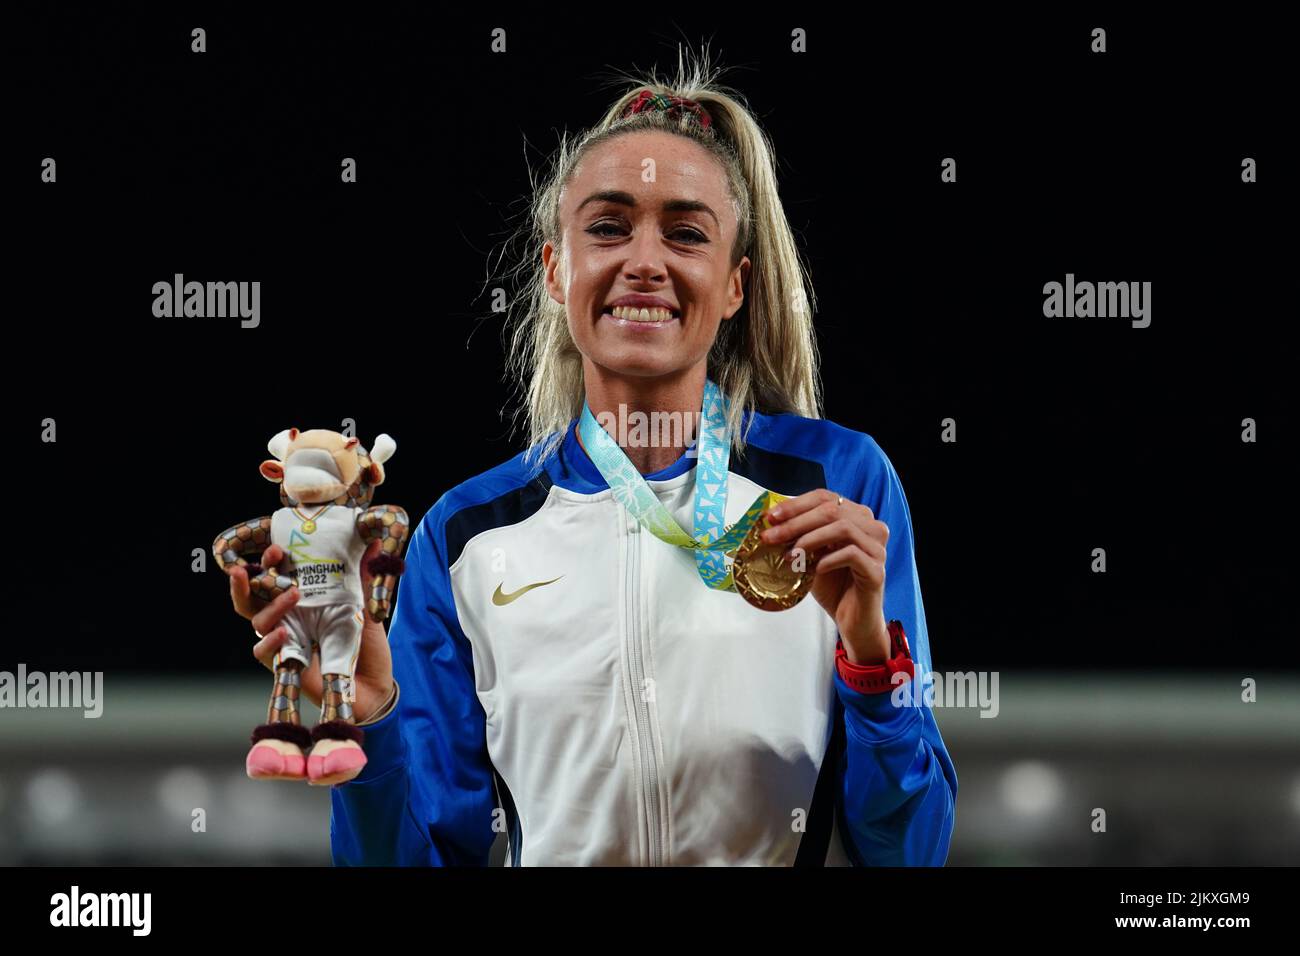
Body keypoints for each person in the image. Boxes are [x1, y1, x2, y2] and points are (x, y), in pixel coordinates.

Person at [228, 53, 957, 866]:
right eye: (608, 227)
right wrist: (370, 720)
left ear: (736, 286)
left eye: (686, 233)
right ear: (555, 270)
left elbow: (911, 850)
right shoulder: (465, 538)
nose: (644, 260)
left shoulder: (838, 487)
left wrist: (870, 662)